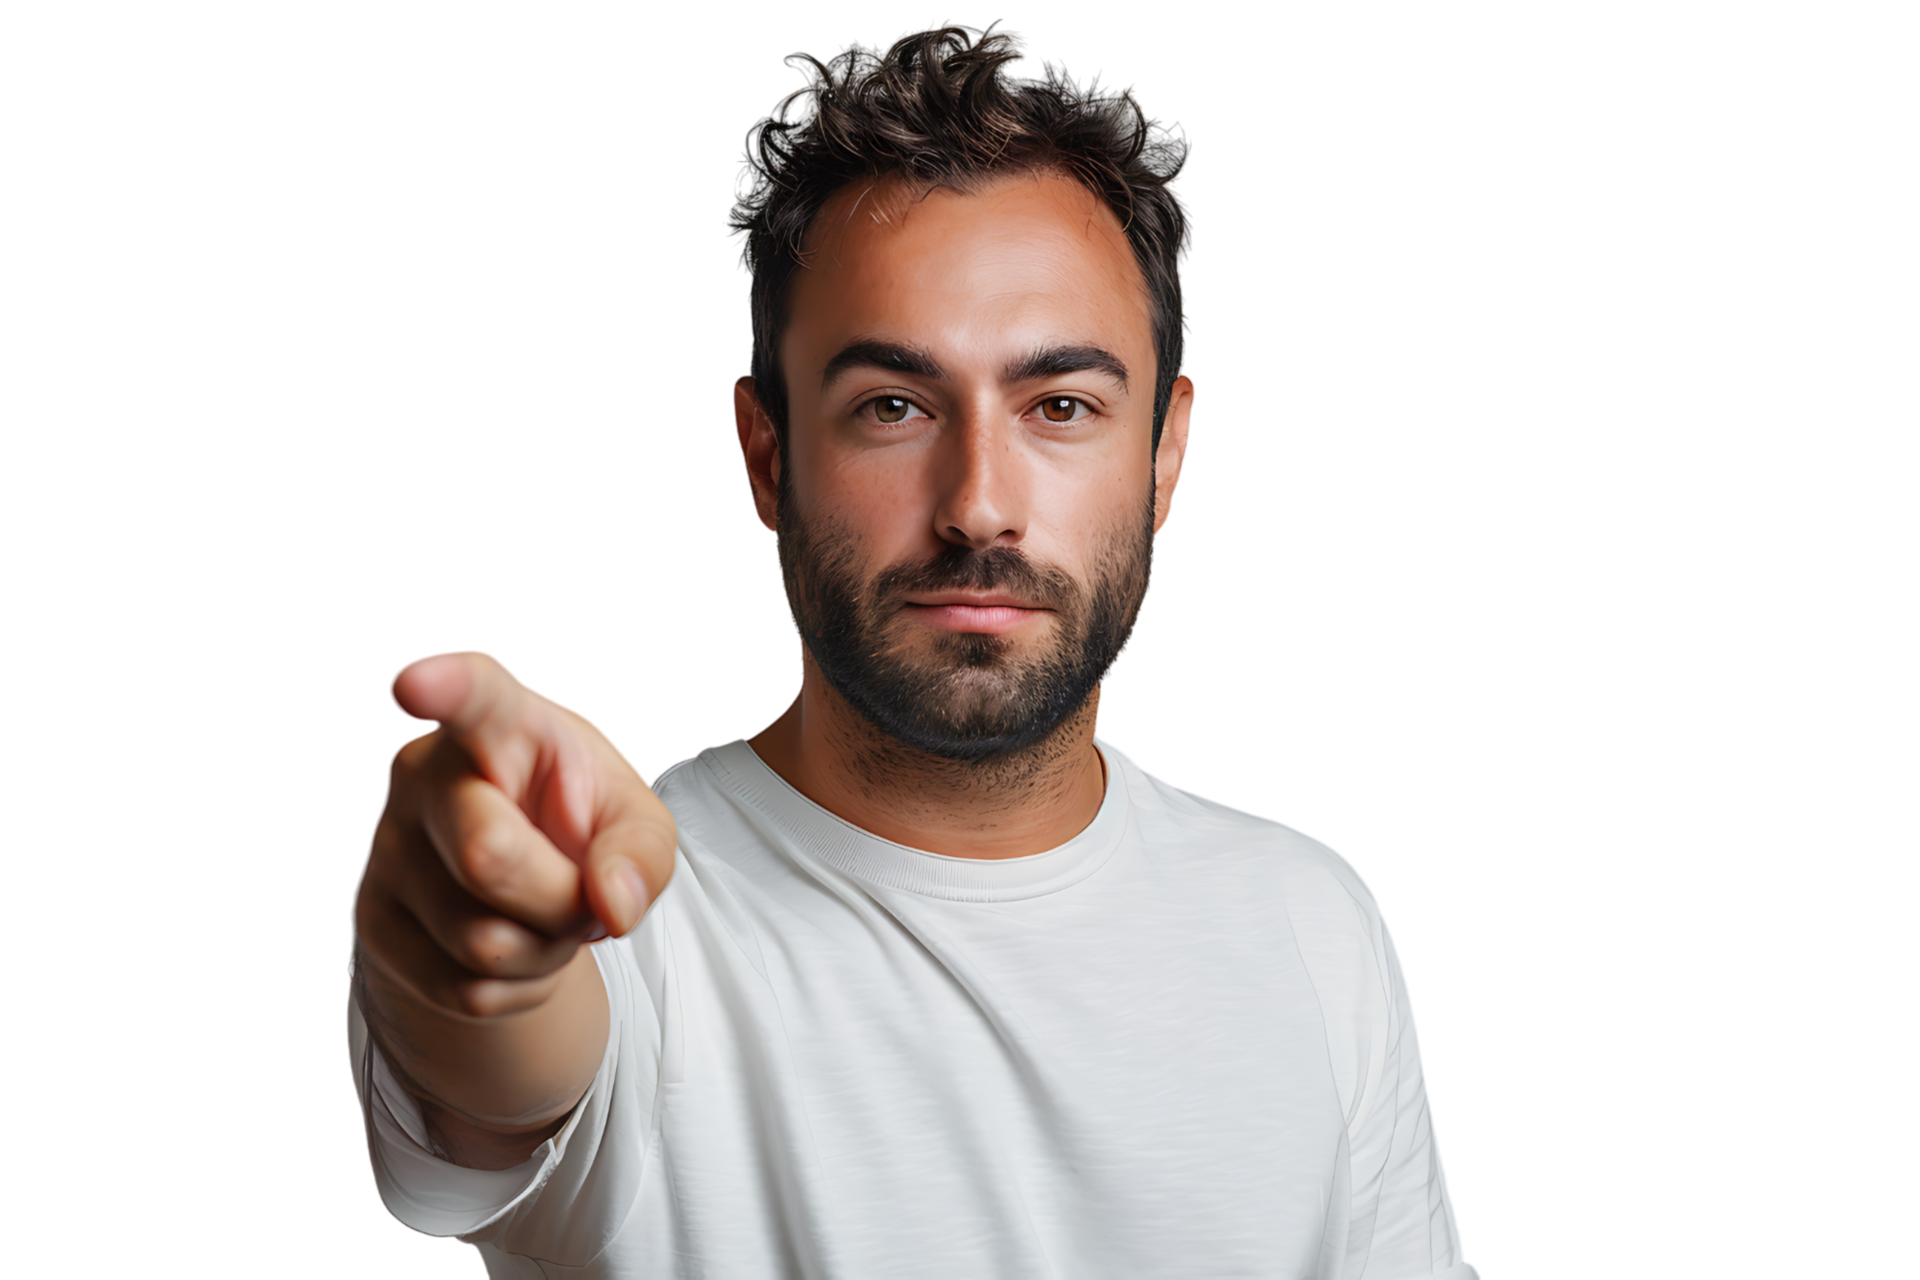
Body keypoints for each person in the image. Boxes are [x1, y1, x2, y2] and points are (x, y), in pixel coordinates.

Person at [346, 19, 1480, 1278]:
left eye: (1060, 405)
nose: (978, 502)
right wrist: (469, 964)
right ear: (767, 454)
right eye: (893, 405)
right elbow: (498, 1060)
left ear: (1167, 454)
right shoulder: (620, 922)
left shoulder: (1314, 921)